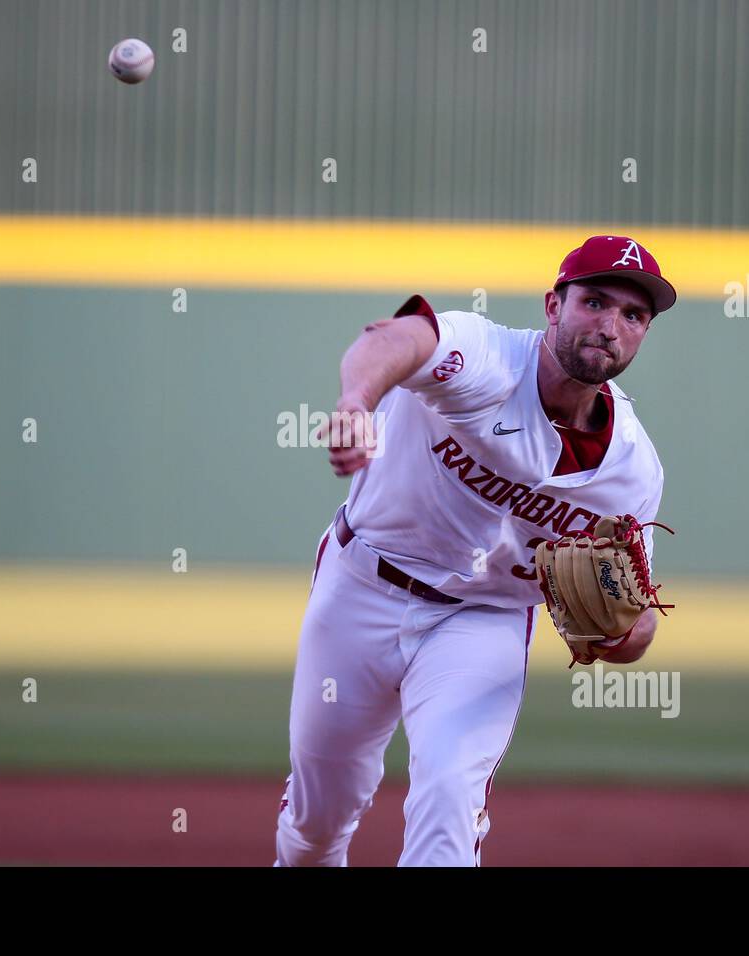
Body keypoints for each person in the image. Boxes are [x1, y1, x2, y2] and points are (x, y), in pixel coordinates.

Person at [274, 235, 677, 866]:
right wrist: (356, 401)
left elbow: (637, 625)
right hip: (362, 587)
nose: (610, 325)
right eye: (594, 301)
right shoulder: (487, 357)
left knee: (448, 802)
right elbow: (394, 339)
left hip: (480, 619)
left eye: (633, 315)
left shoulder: (632, 470)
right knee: (319, 819)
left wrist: (619, 633)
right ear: (553, 305)